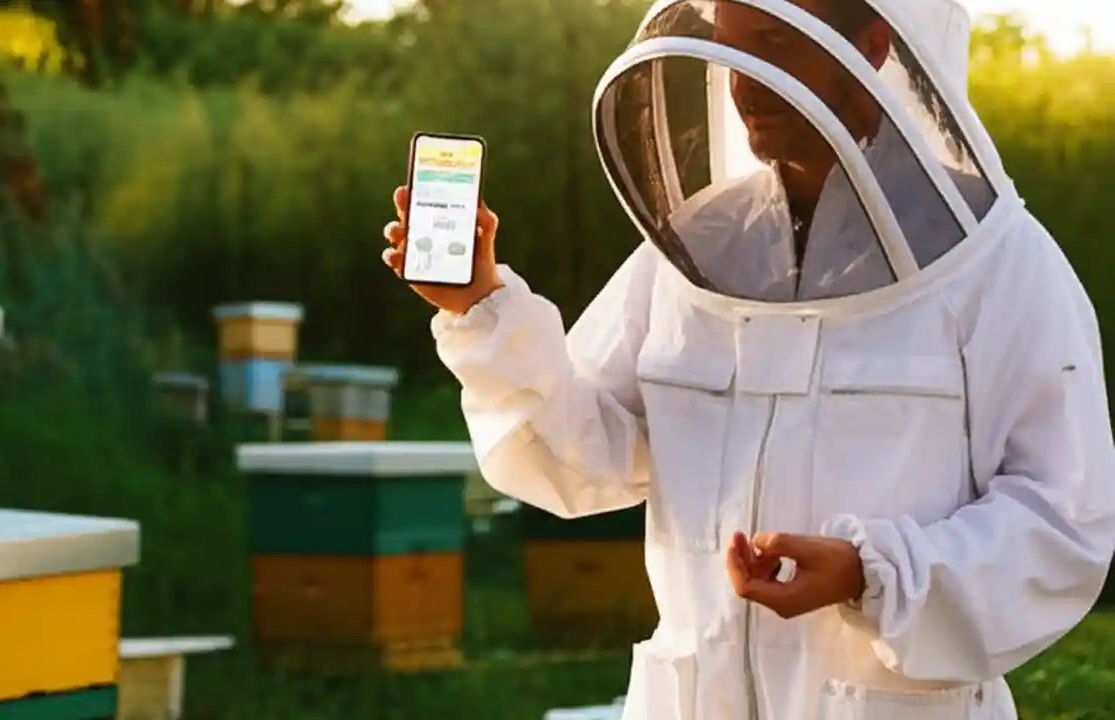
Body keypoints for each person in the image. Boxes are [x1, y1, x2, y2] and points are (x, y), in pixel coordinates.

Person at [381, 1, 1115, 718]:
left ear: (875, 45)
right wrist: (479, 304)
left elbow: (1063, 520)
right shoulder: (698, 245)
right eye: (730, 45)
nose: (742, 80)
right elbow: (583, 458)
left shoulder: (994, 264)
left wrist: (869, 575)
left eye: (776, 42)